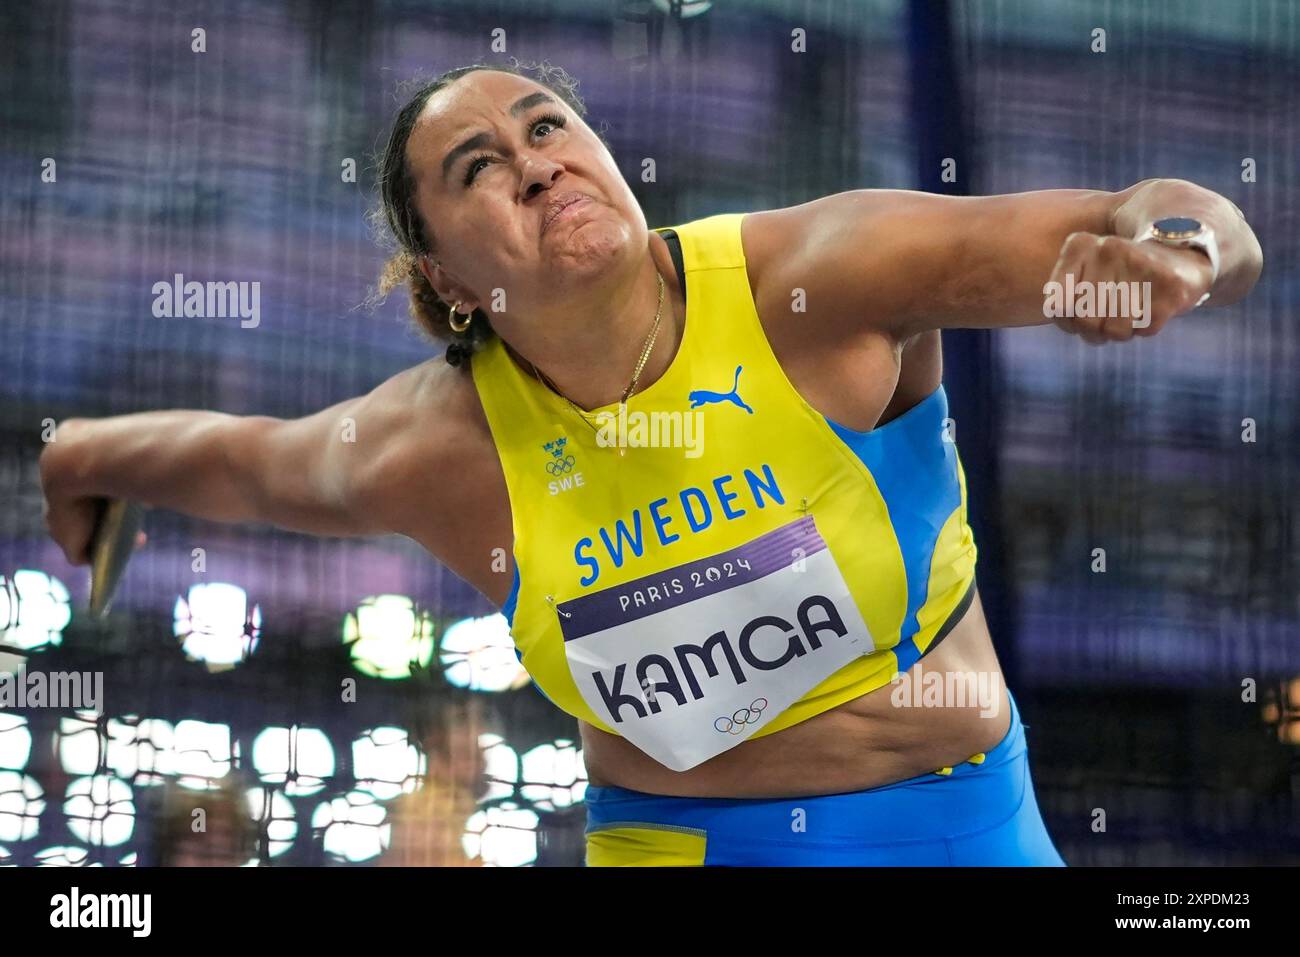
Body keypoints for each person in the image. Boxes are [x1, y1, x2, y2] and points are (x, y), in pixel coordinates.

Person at [39, 61, 1262, 866]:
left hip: (953, 824)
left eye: (547, 125)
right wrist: (88, 456)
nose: (535, 162)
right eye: (478, 168)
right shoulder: (439, 449)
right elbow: (247, 463)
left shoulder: (818, 281)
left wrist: (1171, 256)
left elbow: (1176, 210)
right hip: (678, 845)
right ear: (449, 285)